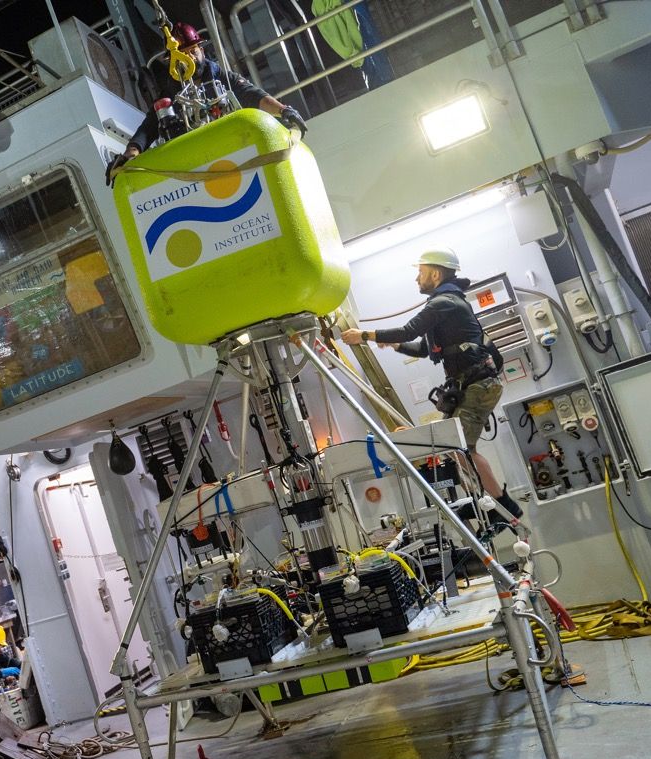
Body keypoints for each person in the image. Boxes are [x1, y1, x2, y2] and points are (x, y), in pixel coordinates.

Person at [340, 247, 523, 520]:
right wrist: (396, 345)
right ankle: (490, 501)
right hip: (471, 384)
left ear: (435, 274)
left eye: (420, 272)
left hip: (478, 384)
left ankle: (502, 505)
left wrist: (363, 335)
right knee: (456, 448)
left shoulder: (443, 303)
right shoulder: (444, 305)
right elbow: (422, 349)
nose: (417, 279)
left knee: (462, 448)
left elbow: (407, 329)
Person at [107, 22, 306, 183]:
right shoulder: (169, 94)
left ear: (201, 49)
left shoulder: (221, 76)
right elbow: (149, 127)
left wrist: (283, 110)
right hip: (199, 163)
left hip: (237, 149)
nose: (190, 59)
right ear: (171, 61)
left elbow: (252, 94)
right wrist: (130, 154)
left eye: (193, 51)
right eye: (183, 55)